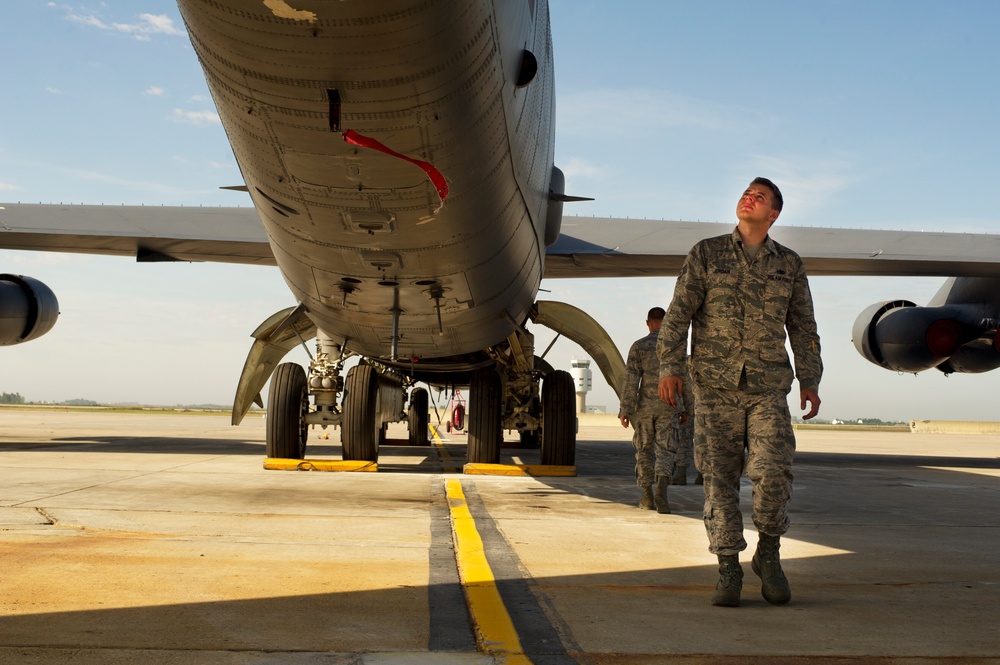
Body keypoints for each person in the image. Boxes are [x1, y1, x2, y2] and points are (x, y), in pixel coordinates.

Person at [657, 177, 822, 607]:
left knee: (772, 471)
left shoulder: (789, 263)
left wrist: (810, 379)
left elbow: (803, 326)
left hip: (768, 387)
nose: (749, 198)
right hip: (713, 387)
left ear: (774, 214)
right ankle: (728, 566)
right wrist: (670, 367)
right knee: (718, 480)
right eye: (747, 192)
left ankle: (768, 553)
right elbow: (678, 314)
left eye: (760, 196)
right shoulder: (707, 254)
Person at [619, 307, 685, 514]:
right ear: (666, 322)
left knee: (644, 451)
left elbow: (631, 380)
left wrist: (625, 410)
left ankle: (647, 496)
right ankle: (662, 490)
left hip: (645, 409)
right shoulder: (675, 347)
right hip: (670, 405)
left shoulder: (639, 347)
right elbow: (685, 381)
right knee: (666, 451)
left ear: (648, 323)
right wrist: (686, 408)